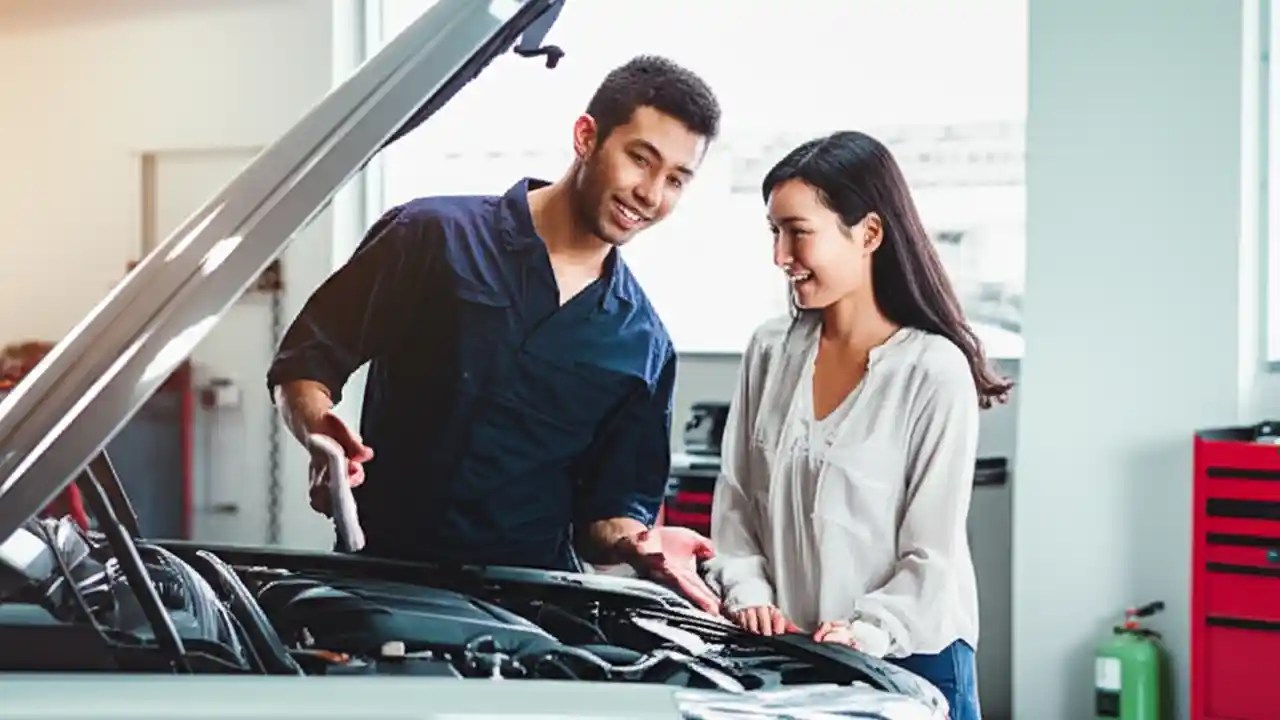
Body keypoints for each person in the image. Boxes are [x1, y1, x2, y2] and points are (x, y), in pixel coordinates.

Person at [266, 55, 723, 613]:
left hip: (531, 618)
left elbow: (606, 516)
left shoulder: (644, 345)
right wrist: (318, 430)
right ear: (586, 136)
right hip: (381, 589)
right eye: (640, 159)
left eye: (676, 179)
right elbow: (305, 360)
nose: (651, 194)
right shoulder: (430, 237)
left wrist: (640, 544)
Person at [703, 130, 1012, 720]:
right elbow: (737, 504)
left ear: (868, 233)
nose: (780, 255)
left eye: (799, 232)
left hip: (907, 659)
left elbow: (932, 554)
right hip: (792, 653)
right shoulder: (769, 351)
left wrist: (867, 633)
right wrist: (749, 595)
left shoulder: (932, 370)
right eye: (774, 232)